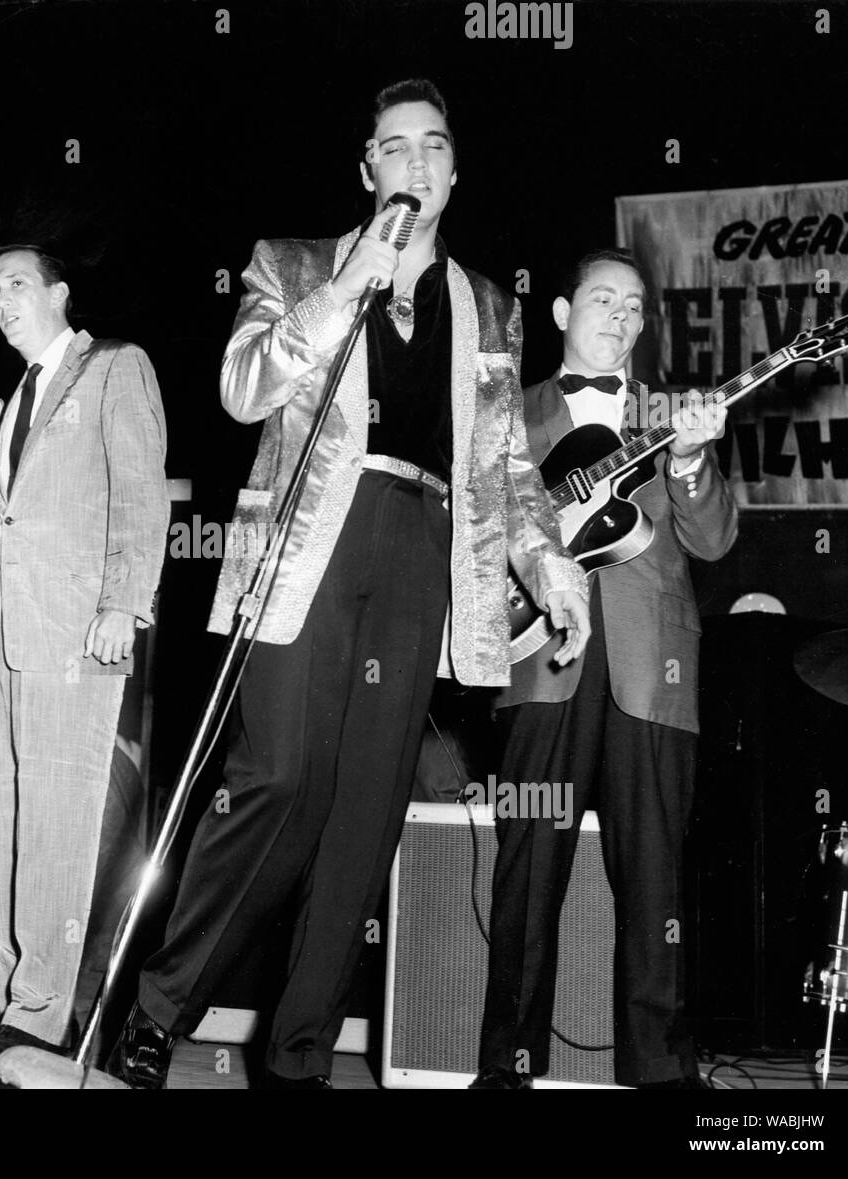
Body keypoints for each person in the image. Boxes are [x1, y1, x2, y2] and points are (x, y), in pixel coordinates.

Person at [107, 78, 590, 1090]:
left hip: (419, 549)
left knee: (366, 810)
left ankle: (297, 1058)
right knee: (278, 779)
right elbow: (244, 391)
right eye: (393, 148)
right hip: (304, 547)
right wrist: (344, 289)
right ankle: (158, 1008)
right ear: (367, 170)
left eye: (432, 147)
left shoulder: (491, 307)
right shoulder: (288, 263)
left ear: (452, 171)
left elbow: (502, 466)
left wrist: (549, 568)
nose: (413, 164)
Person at [473, 248, 736, 1089]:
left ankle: (660, 1075)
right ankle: (506, 1069)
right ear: (560, 312)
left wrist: (691, 463)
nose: (621, 315)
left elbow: (715, 540)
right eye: (602, 298)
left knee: (655, 883)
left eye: (635, 306)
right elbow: (474, 540)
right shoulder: (509, 414)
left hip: (651, 673)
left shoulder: (673, 415)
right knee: (526, 876)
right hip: (538, 665)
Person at [0, 244, 169, 1067]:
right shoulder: (16, 398)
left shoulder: (114, 367)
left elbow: (140, 489)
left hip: (76, 631)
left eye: (16, 285)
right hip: (3, 635)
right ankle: (17, 1002)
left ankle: (43, 1011)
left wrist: (123, 601)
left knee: (59, 828)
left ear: (60, 292)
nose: (1, 301)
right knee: (5, 824)